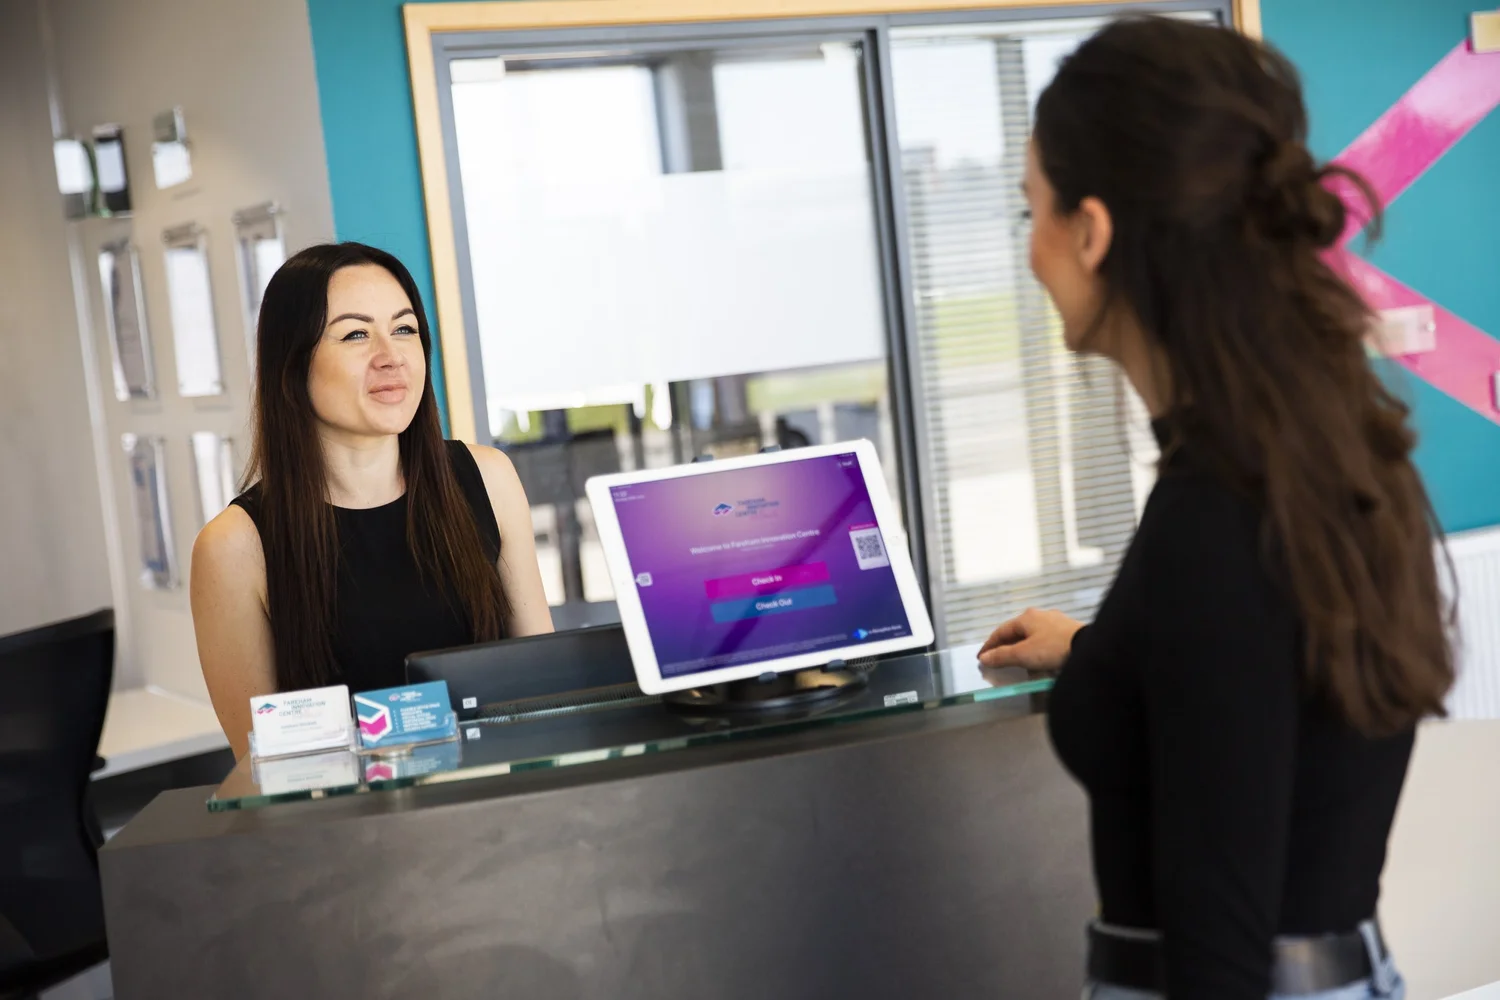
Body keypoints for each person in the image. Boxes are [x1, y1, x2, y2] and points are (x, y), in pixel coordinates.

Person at [977, 17, 1453, 1000]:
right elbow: (1264, 692)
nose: (1030, 253)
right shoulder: (1328, 455)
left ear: (1093, 231)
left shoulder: (1216, 522)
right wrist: (1104, 650)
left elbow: (1221, 938)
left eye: (1033, 212)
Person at [191, 243, 553, 757]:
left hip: (503, 806)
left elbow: (541, 689)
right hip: (356, 831)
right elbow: (266, 768)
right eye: (356, 334)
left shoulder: (487, 478)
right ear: (292, 365)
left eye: (404, 329)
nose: (391, 355)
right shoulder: (234, 546)